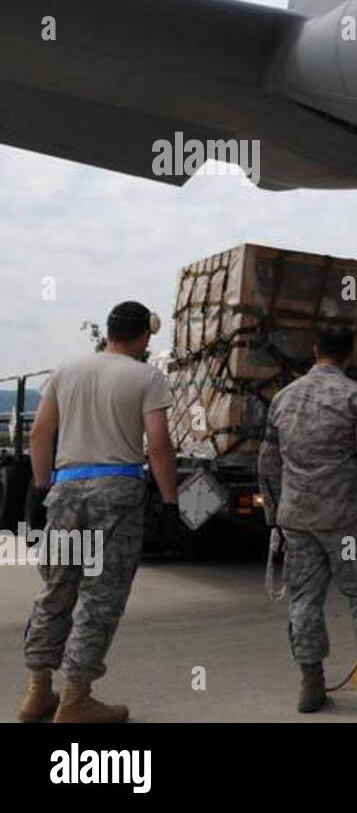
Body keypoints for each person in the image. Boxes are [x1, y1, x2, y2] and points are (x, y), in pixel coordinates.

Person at [19, 300, 178, 723]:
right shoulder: (148, 377)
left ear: (108, 331)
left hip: (66, 490)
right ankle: (76, 699)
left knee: (56, 591)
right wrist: (169, 500)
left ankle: (37, 691)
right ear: (144, 337)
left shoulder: (66, 370)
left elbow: (39, 433)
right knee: (99, 598)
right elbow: (159, 446)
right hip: (117, 494)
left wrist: (40, 489)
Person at [258, 324, 357, 714]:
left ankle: (311, 685)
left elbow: (267, 462)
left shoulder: (283, 398)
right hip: (346, 523)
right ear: (351, 353)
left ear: (315, 350)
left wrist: (274, 515)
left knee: (304, 600)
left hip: (298, 520)